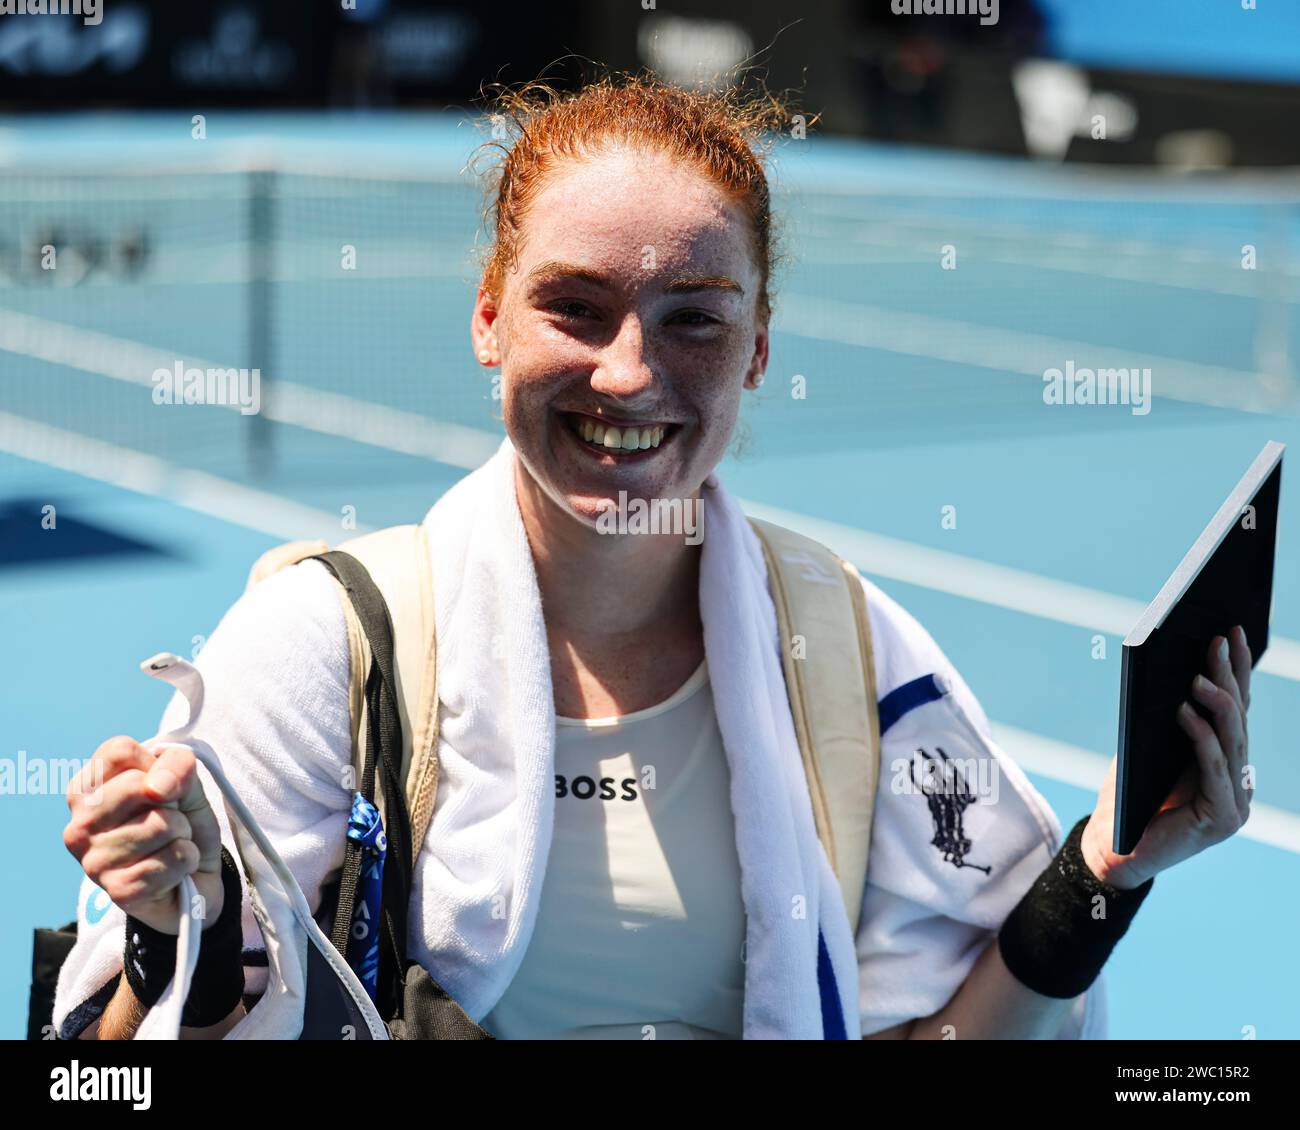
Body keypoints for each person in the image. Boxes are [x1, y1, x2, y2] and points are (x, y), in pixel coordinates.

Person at [56, 71, 1253, 1041]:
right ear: (488, 317)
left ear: (758, 347)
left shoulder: (846, 648)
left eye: (694, 318)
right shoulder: (322, 647)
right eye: (574, 307)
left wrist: (1100, 872)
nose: (628, 373)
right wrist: (173, 936)